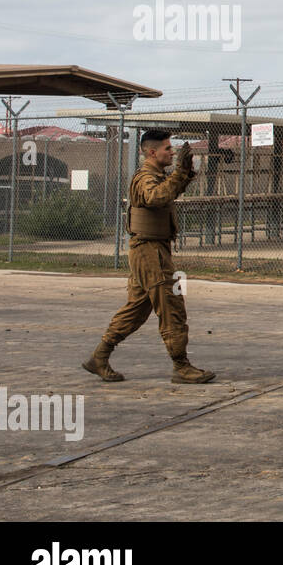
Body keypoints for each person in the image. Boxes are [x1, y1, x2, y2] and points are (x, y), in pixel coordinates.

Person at [82, 129, 216, 384]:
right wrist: (179, 174)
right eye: (168, 148)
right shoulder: (145, 178)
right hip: (149, 252)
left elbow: (169, 190)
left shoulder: (156, 176)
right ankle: (181, 366)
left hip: (152, 250)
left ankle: (99, 357)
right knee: (172, 305)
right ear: (152, 152)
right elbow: (156, 197)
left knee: (136, 309)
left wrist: (184, 174)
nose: (172, 152)